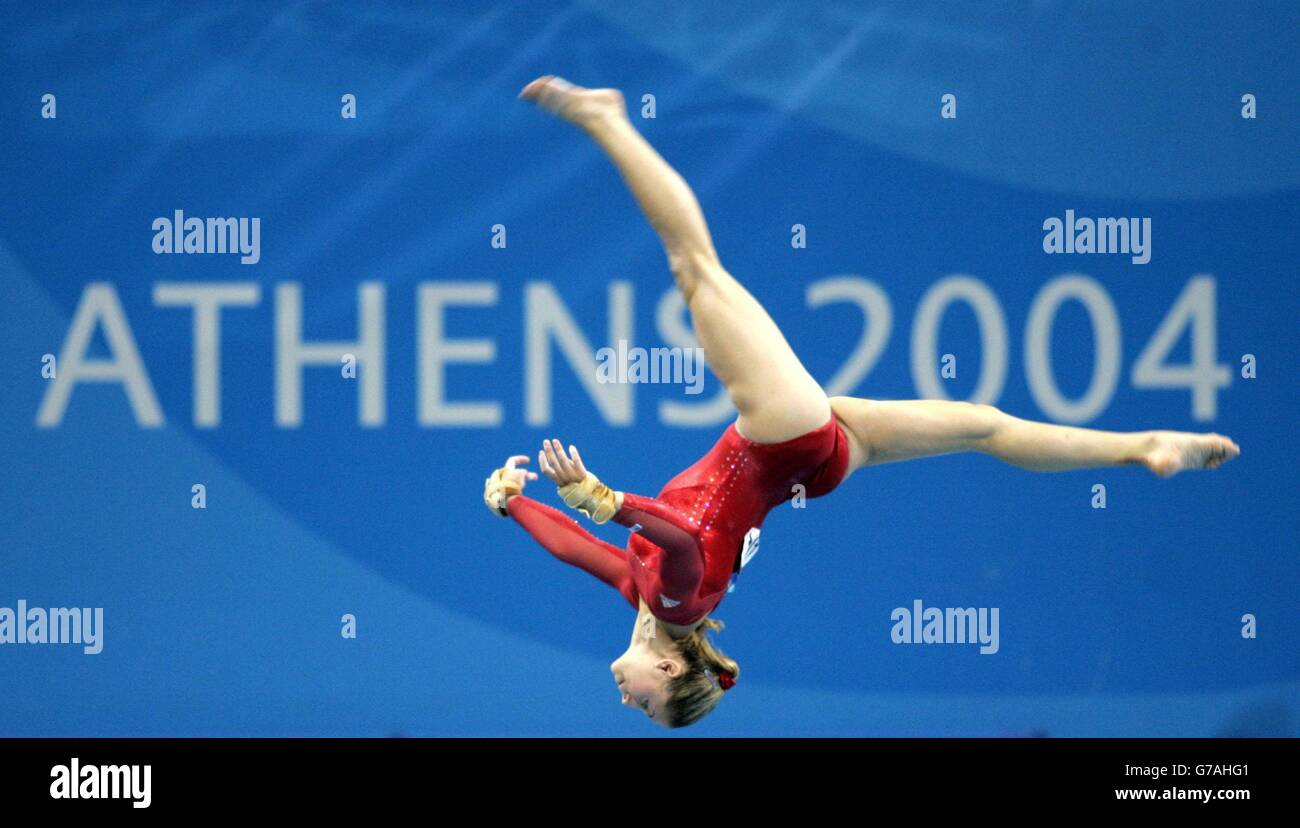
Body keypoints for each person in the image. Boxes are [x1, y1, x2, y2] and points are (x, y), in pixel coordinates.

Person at [483, 76, 1241, 728]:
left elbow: (575, 551)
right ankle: (607, 117)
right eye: (648, 707)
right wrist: (609, 500)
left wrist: (512, 503)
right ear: (675, 674)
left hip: (821, 463)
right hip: (782, 438)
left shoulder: (642, 599)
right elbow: (680, 539)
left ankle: (1144, 446)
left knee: (985, 429)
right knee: (694, 268)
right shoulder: (676, 604)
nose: (627, 702)